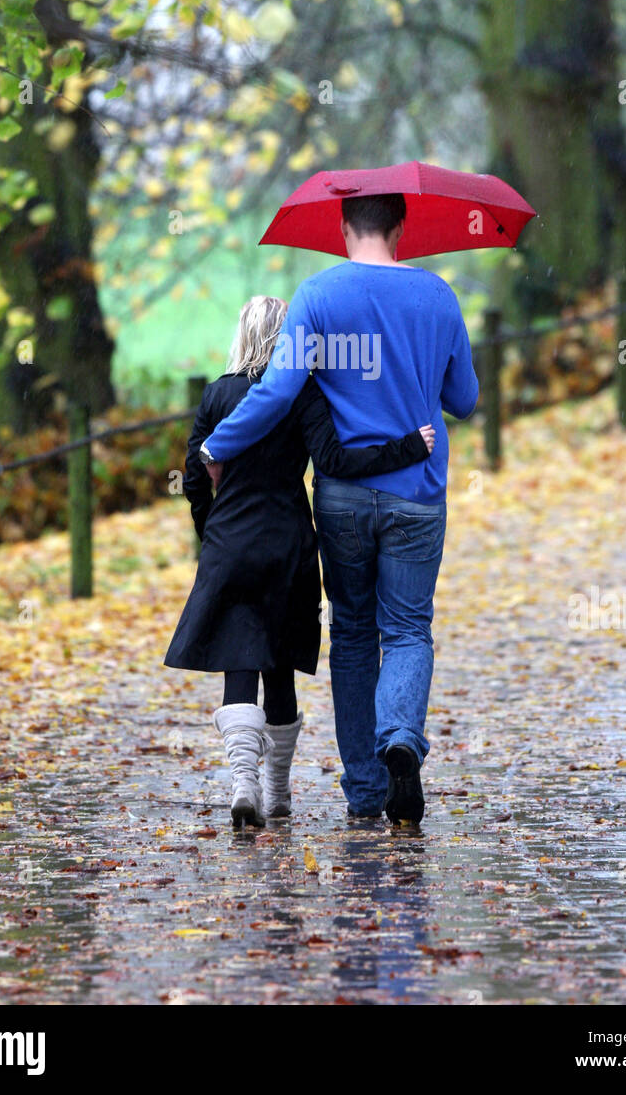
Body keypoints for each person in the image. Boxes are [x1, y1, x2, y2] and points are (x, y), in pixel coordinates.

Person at [198, 195, 478, 825]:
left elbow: (277, 392)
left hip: (343, 499)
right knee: (407, 628)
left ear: (343, 229)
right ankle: (401, 738)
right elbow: (464, 398)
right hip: (418, 493)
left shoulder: (318, 296)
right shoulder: (439, 296)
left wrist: (217, 444)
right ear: (401, 229)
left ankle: (364, 791)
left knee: (353, 633)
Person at [164, 294, 434, 828]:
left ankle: (244, 784)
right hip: (289, 543)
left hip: (230, 545)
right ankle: (278, 791)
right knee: (280, 666)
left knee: (238, 662)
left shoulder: (218, 394)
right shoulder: (303, 393)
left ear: (241, 334)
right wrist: (405, 448)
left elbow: (195, 476)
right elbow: (335, 461)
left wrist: (210, 533)